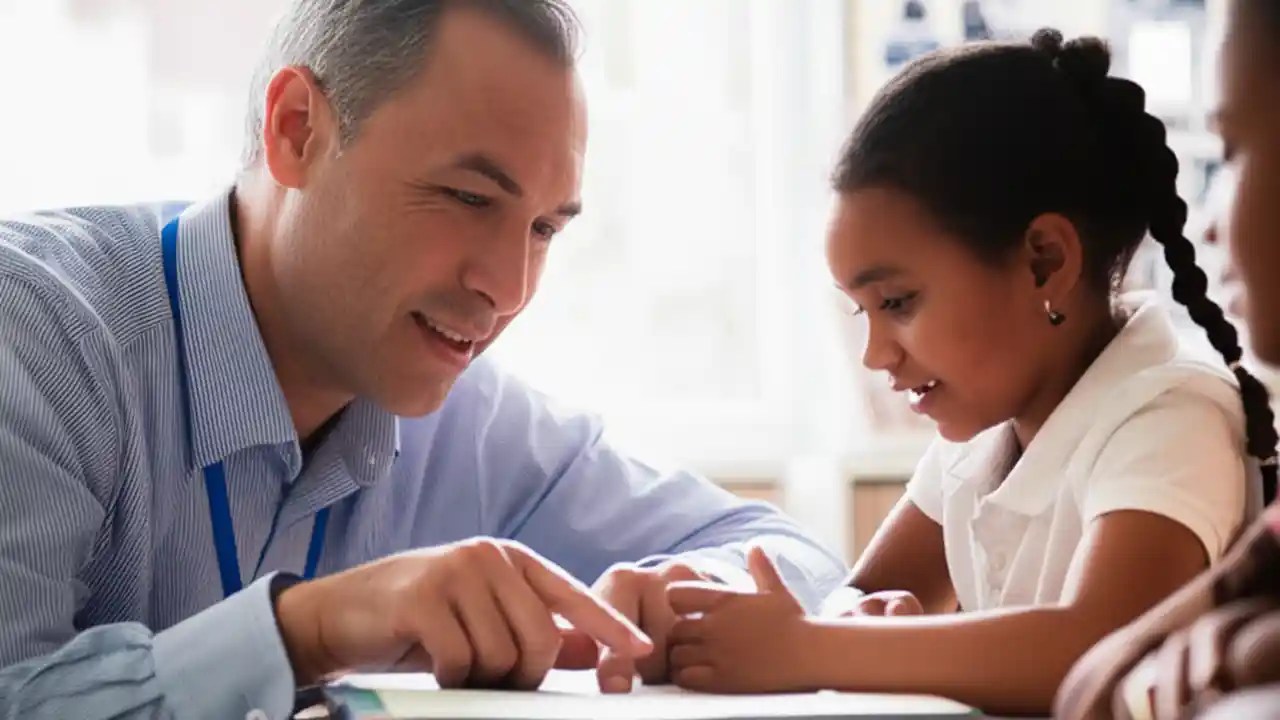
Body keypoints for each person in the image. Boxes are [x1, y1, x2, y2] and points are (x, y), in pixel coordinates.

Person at [0, 2, 846, 718]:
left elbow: (781, 550)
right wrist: (313, 628)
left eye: (546, 229)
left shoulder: (467, 415)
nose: (509, 288)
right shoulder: (33, 331)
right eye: (469, 199)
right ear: (296, 130)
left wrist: (682, 595)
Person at [660, 28, 1277, 717]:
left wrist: (813, 647)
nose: (876, 354)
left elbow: (1098, 642)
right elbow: (865, 592)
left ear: (1045, 260)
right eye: (861, 312)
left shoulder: (1169, 413)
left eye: (897, 302)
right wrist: (854, 622)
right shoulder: (986, 429)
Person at [1055, 1, 1280, 717]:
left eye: (1233, 155)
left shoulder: (1171, 409)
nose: (1208, 219)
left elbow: (1088, 650)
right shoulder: (970, 441)